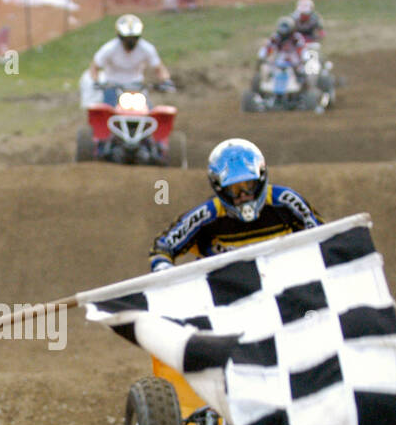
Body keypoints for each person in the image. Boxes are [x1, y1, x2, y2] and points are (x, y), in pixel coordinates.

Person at [149, 138, 322, 270]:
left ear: (261, 179)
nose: (243, 195)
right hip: (227, 299)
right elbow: (163, 247)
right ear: (219, 189)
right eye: (234, 189)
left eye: (249, 186)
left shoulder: (286, 201)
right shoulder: (208, 214)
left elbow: (324, 235)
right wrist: (163, 269)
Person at [88, 14, 173, 106]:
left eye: (134, 38)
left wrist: (166, 81)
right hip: (112, 86)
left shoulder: (146, 49)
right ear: (120, 37)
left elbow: (159, 68)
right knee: (106, 112)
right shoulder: (109, 49)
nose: (130, 41)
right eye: (127, 39)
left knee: (149, 112)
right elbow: (94, 67)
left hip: (137, 87)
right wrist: (95, 82)